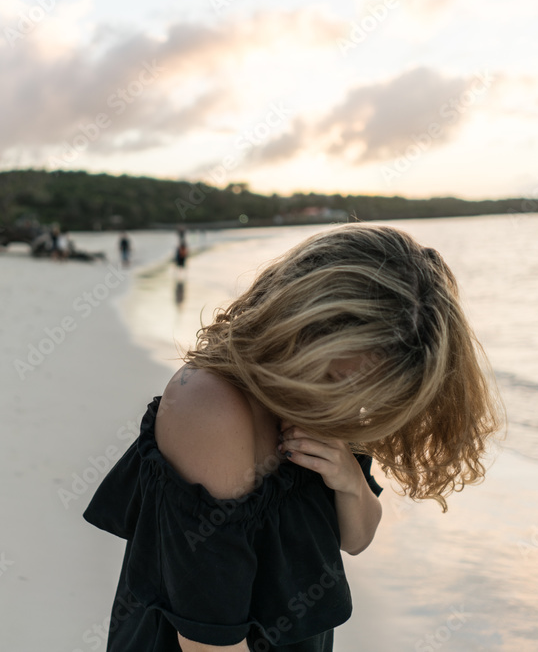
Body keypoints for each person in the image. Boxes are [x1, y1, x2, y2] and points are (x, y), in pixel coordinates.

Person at [82, 223, 504, 651]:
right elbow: (206, 642)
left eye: (365, 393)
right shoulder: (209, 405)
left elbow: (356, 539)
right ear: (299, 323)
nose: (344, 404)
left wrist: (349, 481)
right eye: (335, 378)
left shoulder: (331, 401)